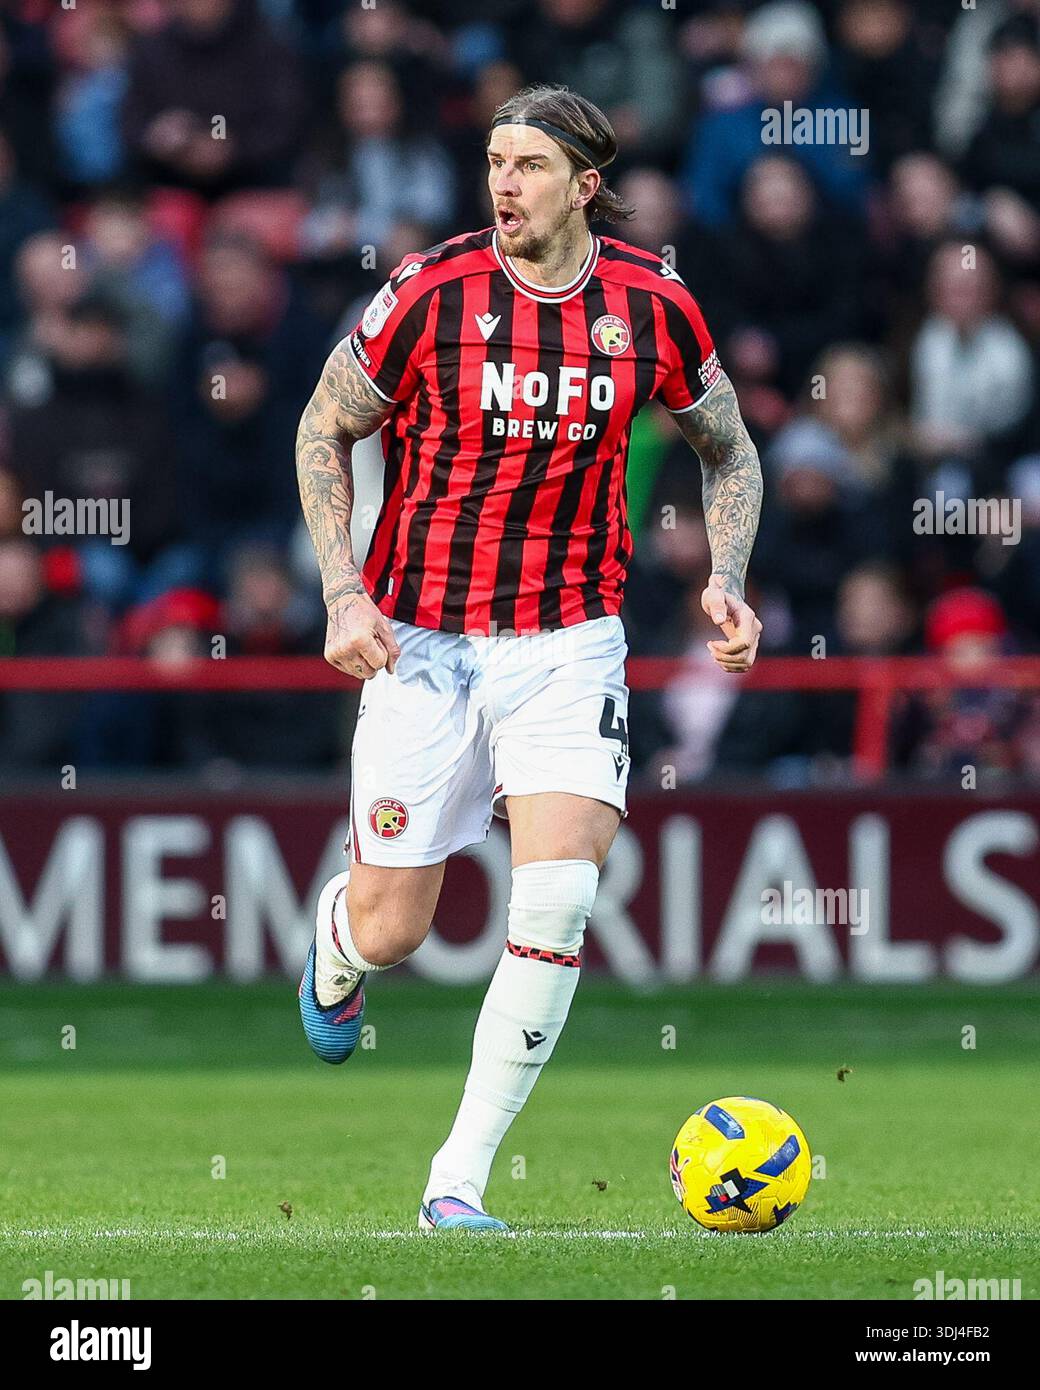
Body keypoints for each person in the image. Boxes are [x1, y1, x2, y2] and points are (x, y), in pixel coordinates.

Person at [293, 84, 763, 1233]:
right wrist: (342, 589)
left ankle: (455, 1179)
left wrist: (725, 576)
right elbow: (322, 425)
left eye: (527, 166)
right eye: (493, 162)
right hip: (421, 638)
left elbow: (731, 451)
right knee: (397, 925)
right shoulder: (431, 289)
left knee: (556, 893)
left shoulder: (650, 303)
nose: (501, 184)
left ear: (584, 185)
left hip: (567, 639)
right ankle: (338, 944)